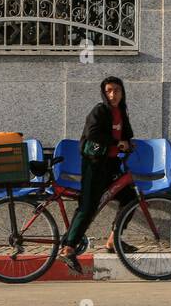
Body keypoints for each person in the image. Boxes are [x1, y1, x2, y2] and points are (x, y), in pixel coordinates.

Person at [57, 77, 138, 273]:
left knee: (130, 198)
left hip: (110, 164)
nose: (113, 95)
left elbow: (127, 134)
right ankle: (68, 249)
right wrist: (117, 143)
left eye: (117, 90)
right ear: (104, 92)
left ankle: (113, 240)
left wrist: (127, 143)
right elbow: (93, 134)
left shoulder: (121, 112)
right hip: (94, 164)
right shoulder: (100, 110)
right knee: (88, 205)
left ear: (122, 92)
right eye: (109, 91)